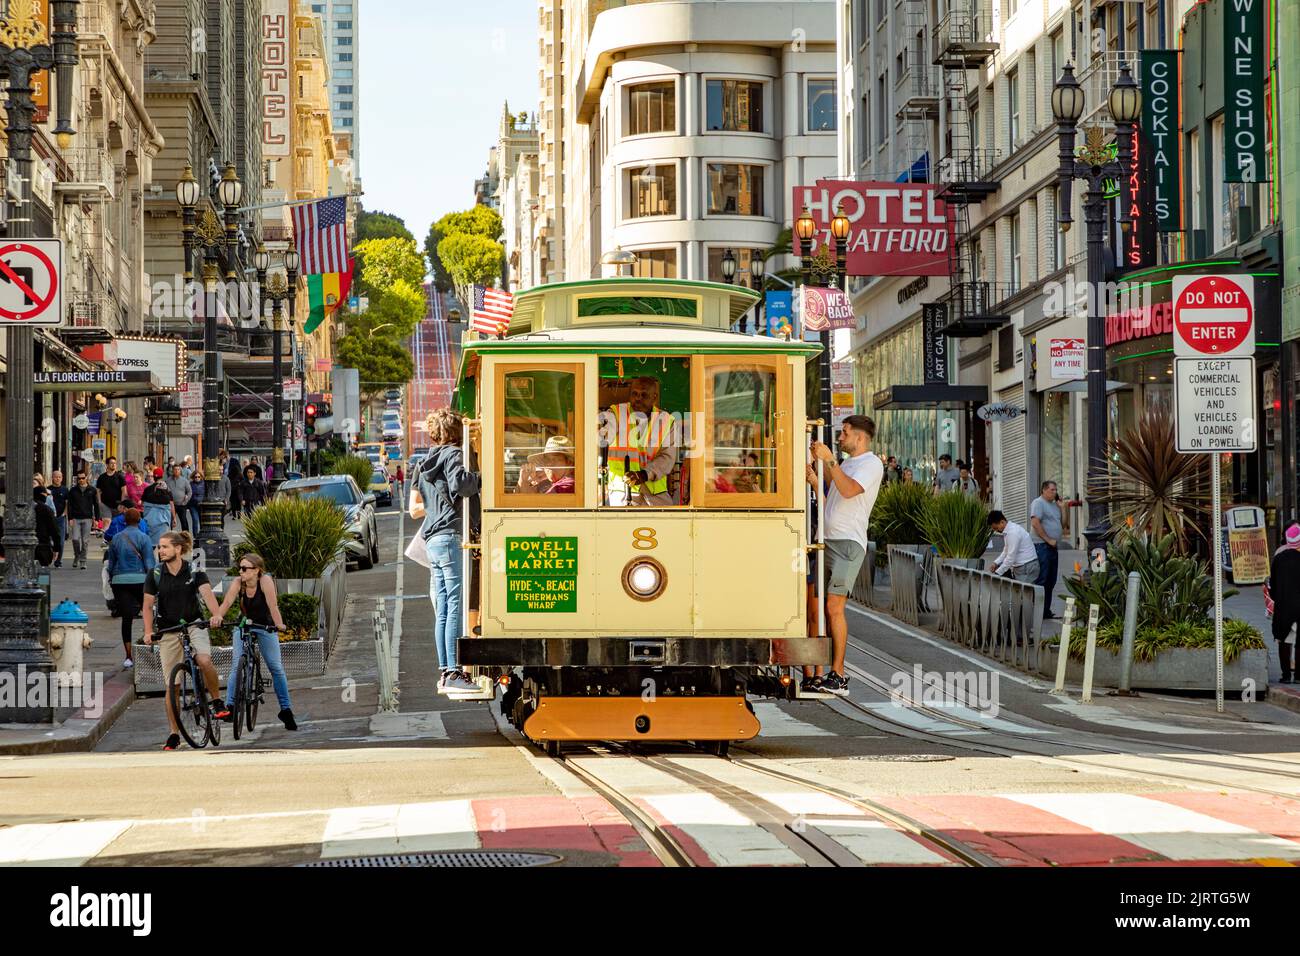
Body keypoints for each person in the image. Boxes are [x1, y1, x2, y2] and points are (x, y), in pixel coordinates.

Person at [804, 415, 885, 696]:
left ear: (859, 437)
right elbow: (833, 501)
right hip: (826, 540)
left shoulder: (872, 464)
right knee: (815, 609)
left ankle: (838, 674)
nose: (840, 438)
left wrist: (828, 461)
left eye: (845, 433)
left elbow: (849, 490)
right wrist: (816, 481)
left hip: (848, 545)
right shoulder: (848, 464)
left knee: (834, 608)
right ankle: (815, 673)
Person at [410, 408, 481, 693]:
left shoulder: (424, 461)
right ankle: (454, 671)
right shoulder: (453, 455)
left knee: (442, 608)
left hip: (432, 539)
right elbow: (461, 486)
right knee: (454, 606)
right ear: (456, 433)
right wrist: (481, 478)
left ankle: (444, 669)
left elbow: (418, 505)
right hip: (451, 537)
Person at [143, 531, 228, 751]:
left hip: (193, 623)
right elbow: (147, 605)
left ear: (178, 549)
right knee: (172, 684)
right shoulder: (155, 574)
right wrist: (147, 631)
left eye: (165, 547)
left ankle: (216, 700)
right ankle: (174, 733)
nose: (160, 551)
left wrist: (216, 614)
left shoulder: (194, 570)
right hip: (168, 629)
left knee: (203, 659)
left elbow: (207, 594)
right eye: (159, 547)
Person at [211, 552, 297, 730]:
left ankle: (286, 710)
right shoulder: (238, 583)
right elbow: (227, 602)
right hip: (244, 625)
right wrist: (218, 616)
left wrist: (279, 624)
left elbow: (273, 606)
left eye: (244, 568)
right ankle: (231, 706)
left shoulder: (265, 581)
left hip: (265, 625)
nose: (241, 572)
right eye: (239, 568)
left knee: (276, 667)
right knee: (236, 664)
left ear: (256, 570)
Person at [604, 376, 678, 506]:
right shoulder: (616, 413)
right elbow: (601, 438)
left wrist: (644, 474)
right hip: (622, 492)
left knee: (666, 525)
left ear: (654, 397)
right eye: (635, 394)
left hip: (656, 494)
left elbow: (668, 457)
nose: (638, 398)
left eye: (644, 395)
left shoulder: (667, 420)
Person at [106, 508, 155, 669]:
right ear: (139, 520)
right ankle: (150, 647)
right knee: (149, 614)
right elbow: (149, 564)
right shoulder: (144, 538)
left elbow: (111, 565)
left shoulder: (116, 538)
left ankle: (128, 656)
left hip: (120, 581)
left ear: (124, 521)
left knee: (126, 618)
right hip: (141, 580)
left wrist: (113, 579)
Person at [1268, 524, 1300, 683]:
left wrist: (1277, 598)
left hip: (1284, 607)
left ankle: (1286, 675)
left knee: (1284, 641)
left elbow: (1272, 585)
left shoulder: (1279, 558)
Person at [1029, 480, 1065, 619]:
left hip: (1052, 547)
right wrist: (1048, 539)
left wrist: (1063, 508)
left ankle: (1045, 611)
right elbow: (1035, 522)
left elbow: (1065, 524)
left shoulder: (1054, 506)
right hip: (1041, 545)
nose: (1055, 492)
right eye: (1052, 490)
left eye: (1056, 490)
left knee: (1051, 580)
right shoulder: (1038, 503)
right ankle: (1037, 611)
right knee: (1042, 579)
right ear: (1044, 490)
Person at [987, 510, 1040, 582]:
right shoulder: (1008, 531)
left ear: (1002, 522)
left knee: (1023, 592)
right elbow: (1006, 551)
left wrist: (997, 573)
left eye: (996, 528)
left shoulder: (1013, 533)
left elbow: (1010, 558)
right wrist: (996, 563)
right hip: (1024, 567)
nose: (996, 531)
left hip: (1027, 567)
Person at [65, 471, 99, 569]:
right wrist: (70, 518)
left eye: (82, 478)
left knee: (85, 541)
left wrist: (97, 519)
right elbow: (69, 505)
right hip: (76, 518)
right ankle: (77, 556)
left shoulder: (92, 490)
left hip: (87, 518)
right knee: (75, 539)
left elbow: (96, 505)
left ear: (86, 478)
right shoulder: (73, 490)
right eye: (78, 478)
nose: (80, 480)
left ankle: (83, 560)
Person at [141, 468, 177, 547]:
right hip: (163, 521)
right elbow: (171, 505)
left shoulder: (147, 489)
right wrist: (174, 518)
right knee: (163, 542)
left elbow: (142, 504)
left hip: (149, 520)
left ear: (153, 477)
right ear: (162, 476)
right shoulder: (167, 490)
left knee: (150, 543)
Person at [32, 487, 58, 568]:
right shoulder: (46, 509)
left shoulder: (26, 508)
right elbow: (55, 531)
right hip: (43, 547)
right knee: (43, 576)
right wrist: (56, 548)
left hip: (25, 547)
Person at [96, 456, 126, 524]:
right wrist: (99, 502)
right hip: (105, 505)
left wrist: (122, 503)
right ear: (107, 465)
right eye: (111, 463)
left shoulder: (119, 477)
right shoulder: (102, 477)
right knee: (107, 522)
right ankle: (107, 534)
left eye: (115, 463)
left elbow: (124, 491)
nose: (113, 465)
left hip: (117, 505)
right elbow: (98, 490)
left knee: (116, 523)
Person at [48, 470, 68, 567]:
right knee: (50, 539)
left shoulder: (65, 490)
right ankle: (51, 556)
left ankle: (58, 561)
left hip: (61, 518)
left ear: (62, 478)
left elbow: (67, 503)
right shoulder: (48, 490)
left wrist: (64, 513)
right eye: (56, 477)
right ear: (52, 477)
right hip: (50, 518)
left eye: (59, 477)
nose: (57, 479)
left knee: (61, 540)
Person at [164, 464, 193, 533]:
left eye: (178, 469)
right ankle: (169, 537)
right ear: (172, 471)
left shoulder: (184, 480)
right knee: (169, 521)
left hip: (181, 504)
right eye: (175, 469)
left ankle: (186, 537)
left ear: (180, 471)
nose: (176, 471)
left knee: (184, 521)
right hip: (171, 505)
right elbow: (165, 491)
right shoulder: (168, 480)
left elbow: (189, 492)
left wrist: (185, 502)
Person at [225, 452, 243, 518]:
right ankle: (237, 514)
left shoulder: (230, 474)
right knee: (236, 501)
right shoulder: (239, 475)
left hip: (233, 487)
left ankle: (235, 514)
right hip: (235, 487)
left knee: (234, 500)